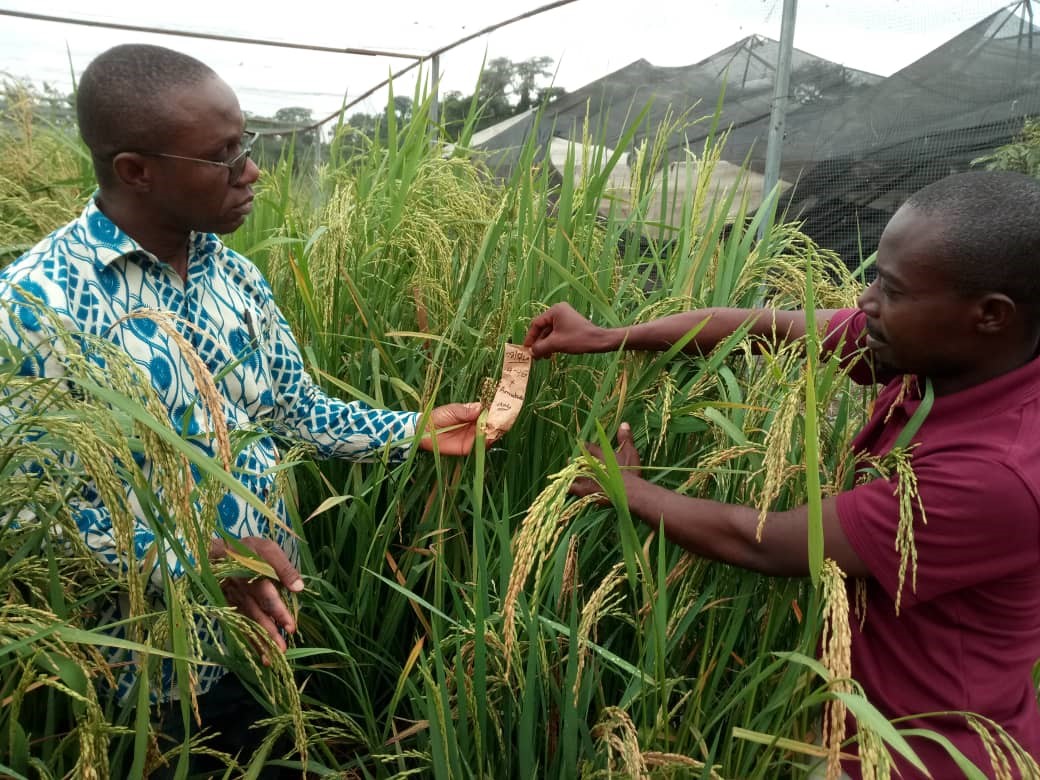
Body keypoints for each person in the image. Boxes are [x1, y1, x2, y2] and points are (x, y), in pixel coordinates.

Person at [0, 43, 483, 773]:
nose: (252, 171)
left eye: (245, 144)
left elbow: (297, 410)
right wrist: (195, 562)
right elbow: (27, 508)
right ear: (137, 170)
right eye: (224, 156)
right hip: (145, 672)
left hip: (266, 627)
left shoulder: (237, 276)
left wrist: (411, 429)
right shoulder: (35, 305)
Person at [523, 170, 1040, 778]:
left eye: (892, 290)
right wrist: (608, 336)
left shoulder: (1001, 472)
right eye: (874, 276)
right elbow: (759, 327)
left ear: (990, 316)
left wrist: (630, 490)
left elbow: (774, 541)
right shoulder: (934, 354)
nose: (865, 301)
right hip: (845, 722)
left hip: (923, 757)